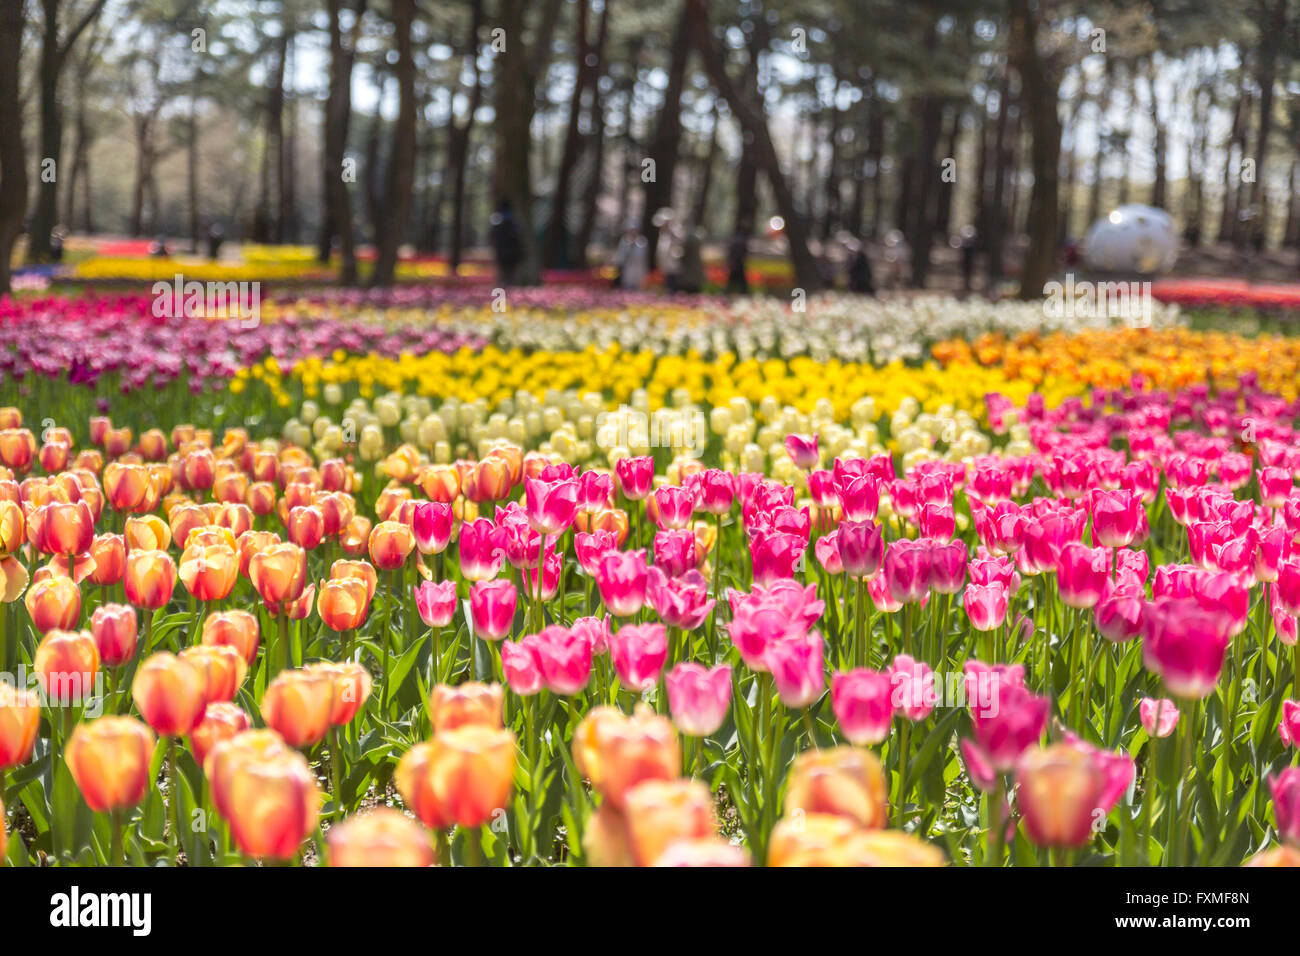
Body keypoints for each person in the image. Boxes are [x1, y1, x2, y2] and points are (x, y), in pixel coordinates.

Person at [490, 199, 523, 285]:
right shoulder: (514, 220)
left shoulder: (496, 219)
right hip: (513, 252)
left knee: (503, 274)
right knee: (512, 275)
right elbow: (518, 236)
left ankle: (503, 290)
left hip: (501, 251)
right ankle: (512, 291)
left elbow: (493, 236)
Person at [676, 227, 706, 294]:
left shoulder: (687, 242)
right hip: (694, 274)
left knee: (688, 292)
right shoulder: (696, 241)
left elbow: (681, 256)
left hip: (687, 275)